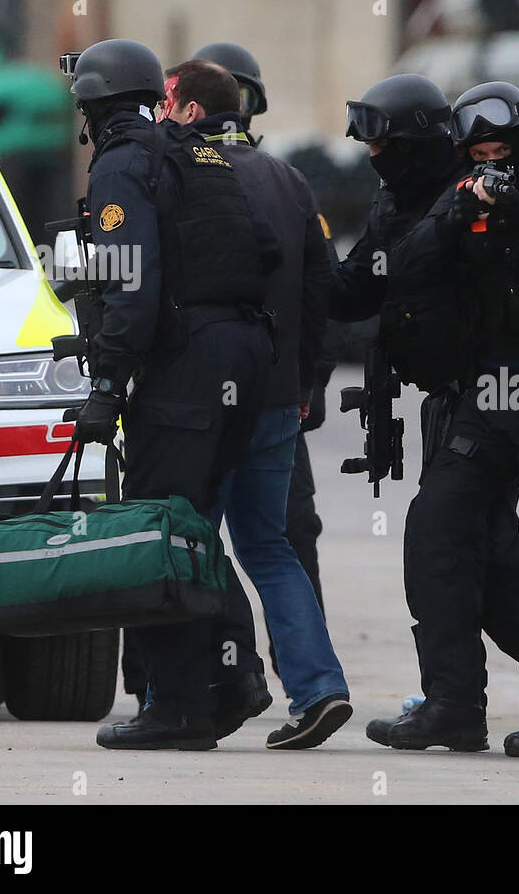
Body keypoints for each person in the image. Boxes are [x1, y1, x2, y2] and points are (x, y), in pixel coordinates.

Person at [332, 75, 519, 751]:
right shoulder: (459, 189)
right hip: (486, 395)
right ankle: (454, 700)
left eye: (497, 149)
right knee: (437, 533)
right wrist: (459, 212)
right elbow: (405, 263)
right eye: (476, 153)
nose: (489, 163)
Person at [66, 38, 277, 751]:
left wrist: (106, 384)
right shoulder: (193, 151)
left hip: (187, 366)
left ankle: (179, 707)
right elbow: (263, 252)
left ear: (95, 106)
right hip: (241, 356)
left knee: (156, 530)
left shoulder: (125, 166)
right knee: (192, 526)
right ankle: (234, 677)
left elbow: (134, 285)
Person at [162, 58, 351, 750]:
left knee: (189, 541)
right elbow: (322, 290)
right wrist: (303, 384)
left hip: (205, 395)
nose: (158, 110)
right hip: (275, 397)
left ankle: (206, 689)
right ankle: (320, 686)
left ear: (186, 106)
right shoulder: (291, 179)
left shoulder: (182, 169)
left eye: (165, 98)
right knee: (270, 546)